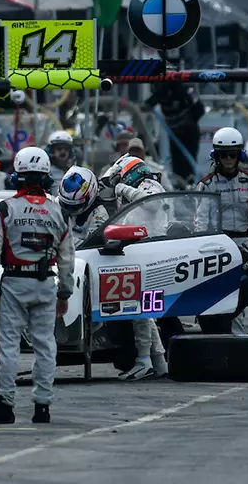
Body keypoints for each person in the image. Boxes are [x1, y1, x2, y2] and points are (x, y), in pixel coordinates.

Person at [0, 147, 74, 425]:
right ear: (46, 176)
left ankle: (5, 406)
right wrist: (64, 292)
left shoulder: (5, 209)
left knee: (8, 347)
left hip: (15, 282)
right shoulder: (59, 212)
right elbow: (67, 257)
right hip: (46, 284)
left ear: (17, 174)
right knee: (45, 346)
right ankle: (43, 406)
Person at [193, 127, 248, 334]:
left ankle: (235, 336)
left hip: (243, 243)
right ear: (216, 156)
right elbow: (199, 220)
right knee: (222, 289)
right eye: (223, 154)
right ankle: (217, 328)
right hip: (218, 245)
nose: (228, 159)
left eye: (232, 154)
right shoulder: (206, 185)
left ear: (239, 155)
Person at [100, 155, 168, 380]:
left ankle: (144, 360)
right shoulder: (131, 194)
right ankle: (157, 362)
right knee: (143, 311)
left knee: (140, 311)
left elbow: (154, 202)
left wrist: (121, 187)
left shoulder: (150, 185)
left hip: (153, 255)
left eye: (120, 178)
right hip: (140, 255)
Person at [57, 166, 108, 245]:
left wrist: (60, 239)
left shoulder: (99, 215)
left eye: (74, 207)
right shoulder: (57, 203)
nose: (68, 209)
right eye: (65, 204)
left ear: (90, 197)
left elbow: (90, 247)